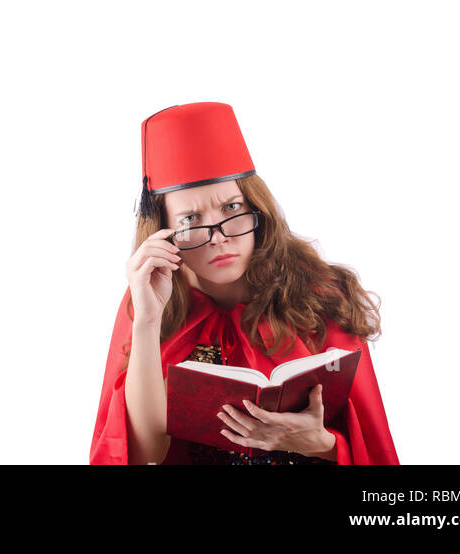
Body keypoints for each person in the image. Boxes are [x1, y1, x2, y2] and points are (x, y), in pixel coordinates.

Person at [90, 102, 397, 465]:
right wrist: (146, 321)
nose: (220, 237)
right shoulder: (149, 297)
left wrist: (320, 444)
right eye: (191, 219)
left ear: (257, 209)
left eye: (232, 209)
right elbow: (140, 456)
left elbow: (371, 447)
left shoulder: (322, 293)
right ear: (163, 232)